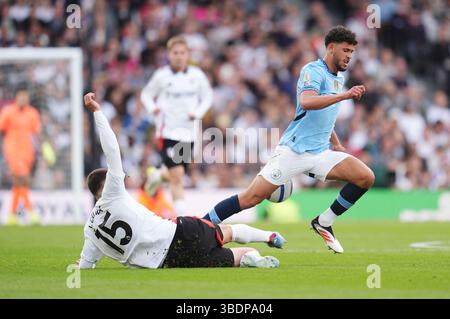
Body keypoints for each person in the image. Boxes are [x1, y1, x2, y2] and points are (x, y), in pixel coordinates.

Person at [202, 26, 375, 254]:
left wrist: (335, 142)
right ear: (331, 48)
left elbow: (325, 114)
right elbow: (307, 102)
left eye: (352, 52)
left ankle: (324, 221)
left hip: (320, 153)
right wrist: (345, 95)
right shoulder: (312, 71)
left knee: (365, 177)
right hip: (294, 150)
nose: (349, 56)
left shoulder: (338, 78)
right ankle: (201, 226)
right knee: (251, 198)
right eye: (345, 50)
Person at [78, 92, 285, 270]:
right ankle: (268, 238)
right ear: (105, 185)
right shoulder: (113, 192)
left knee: (234, 258)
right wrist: (97, 111)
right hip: (179, 232)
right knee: (231, 232)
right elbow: (112, 149)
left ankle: (251, 258)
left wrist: (79, 267)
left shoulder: (90, 231)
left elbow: (86, 264)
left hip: (168, 261)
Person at [141, 35, 213, 215]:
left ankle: (157, 176)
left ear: (188, 54)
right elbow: (146, 95)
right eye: (175, 53)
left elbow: (207, 97)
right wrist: (153, 108)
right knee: (177, 177)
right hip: (168, 132)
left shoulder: (197, 76)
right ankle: (181, 219)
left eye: (182, 53)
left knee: (175, 174)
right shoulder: (161, 76)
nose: (179, 56)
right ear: (169, 54)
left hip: (188, 134)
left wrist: (198, 113)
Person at [0, 89, 41, 225]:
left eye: (25, 96)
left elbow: (36, 133)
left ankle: (12, 215)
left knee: (19, 182)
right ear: (16, 97)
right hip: (13, 151)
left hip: (27, 153)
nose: (23, 99)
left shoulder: (32, 113)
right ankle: (31, 212)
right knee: (23, 178)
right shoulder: (8, 112)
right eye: (21, 96)